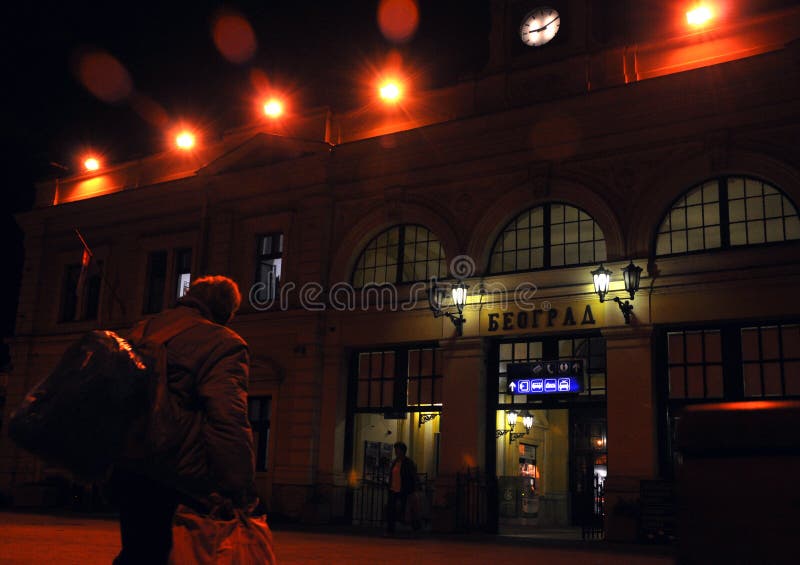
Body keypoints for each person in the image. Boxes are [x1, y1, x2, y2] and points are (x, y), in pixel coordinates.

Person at [111, 275, 256, 565]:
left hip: (127, 463)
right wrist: (238, 485)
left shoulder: (142, 330)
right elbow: (227, 416)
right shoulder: (224, 343)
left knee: (139, 551)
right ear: (226, 312)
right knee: (171, 554)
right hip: (179, 473)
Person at [386, 441, 421, 535]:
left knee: (406, 509)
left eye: (397, 450)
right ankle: (391, 529)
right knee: (391, 508)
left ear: (402, 451)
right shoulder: (395, 462)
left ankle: (412, 527)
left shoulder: (408, 463)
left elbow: (412, 476)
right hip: (393, 489)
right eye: (395, 450)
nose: (396, 452)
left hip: (404, 490)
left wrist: (412, 489)